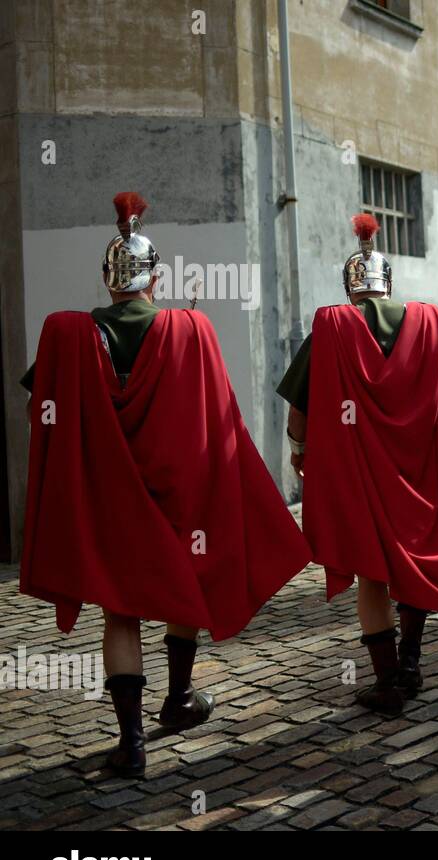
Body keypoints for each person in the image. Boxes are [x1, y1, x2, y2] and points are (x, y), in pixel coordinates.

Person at [20, 192, 311, 777]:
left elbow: (41, 414)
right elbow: (216, 414)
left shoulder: (72, 335)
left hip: (109, 503)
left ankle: (131, 743)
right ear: (155, 277)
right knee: (188, 582)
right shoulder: (190, 329)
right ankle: (178, 701)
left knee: (120, 612)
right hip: (177, 495)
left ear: (108, 281)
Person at [278, 214, 438, 716]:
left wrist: (298, 449)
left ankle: (388, 681)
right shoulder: (433, 321)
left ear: (351, 289)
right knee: (415, 562)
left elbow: (300, 408)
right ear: (389, 284)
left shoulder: (332, 327)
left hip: (362, 475)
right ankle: (411, 663)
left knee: (373, 574)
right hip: (423, 473)